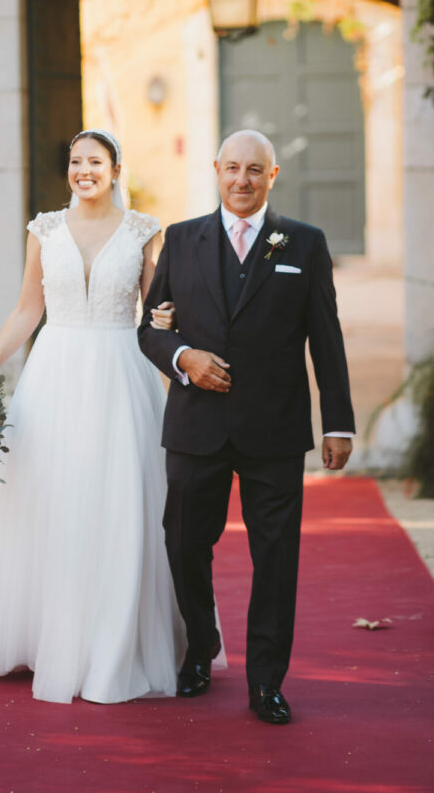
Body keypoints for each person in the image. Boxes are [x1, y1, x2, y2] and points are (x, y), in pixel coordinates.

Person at [0, 129, 187, 703]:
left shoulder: (142, 231)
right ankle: (49, 636)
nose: (84, 171)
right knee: (52, 499)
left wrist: (178, 372)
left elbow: (155, 316)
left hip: (122, 375)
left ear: (116, 169)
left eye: (95, 161)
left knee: (120, 502)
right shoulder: (44, 230)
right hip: (54, 376)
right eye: (76, 161)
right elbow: (28, 310)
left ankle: (115, 643)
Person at [138, 129, 354, 724]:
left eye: (254, 170)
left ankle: (266, 682)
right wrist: (184, 357)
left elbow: (326, 339)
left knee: (276, 558)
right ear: (216, 169)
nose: (242, 179)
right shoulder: (182, 239)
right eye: (232, 168)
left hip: (274, 428)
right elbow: (150, 329)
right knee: (183, 542)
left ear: (272, 176)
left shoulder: (304, 243)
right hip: (196, 424)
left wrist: (338, 423)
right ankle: (201, 645)